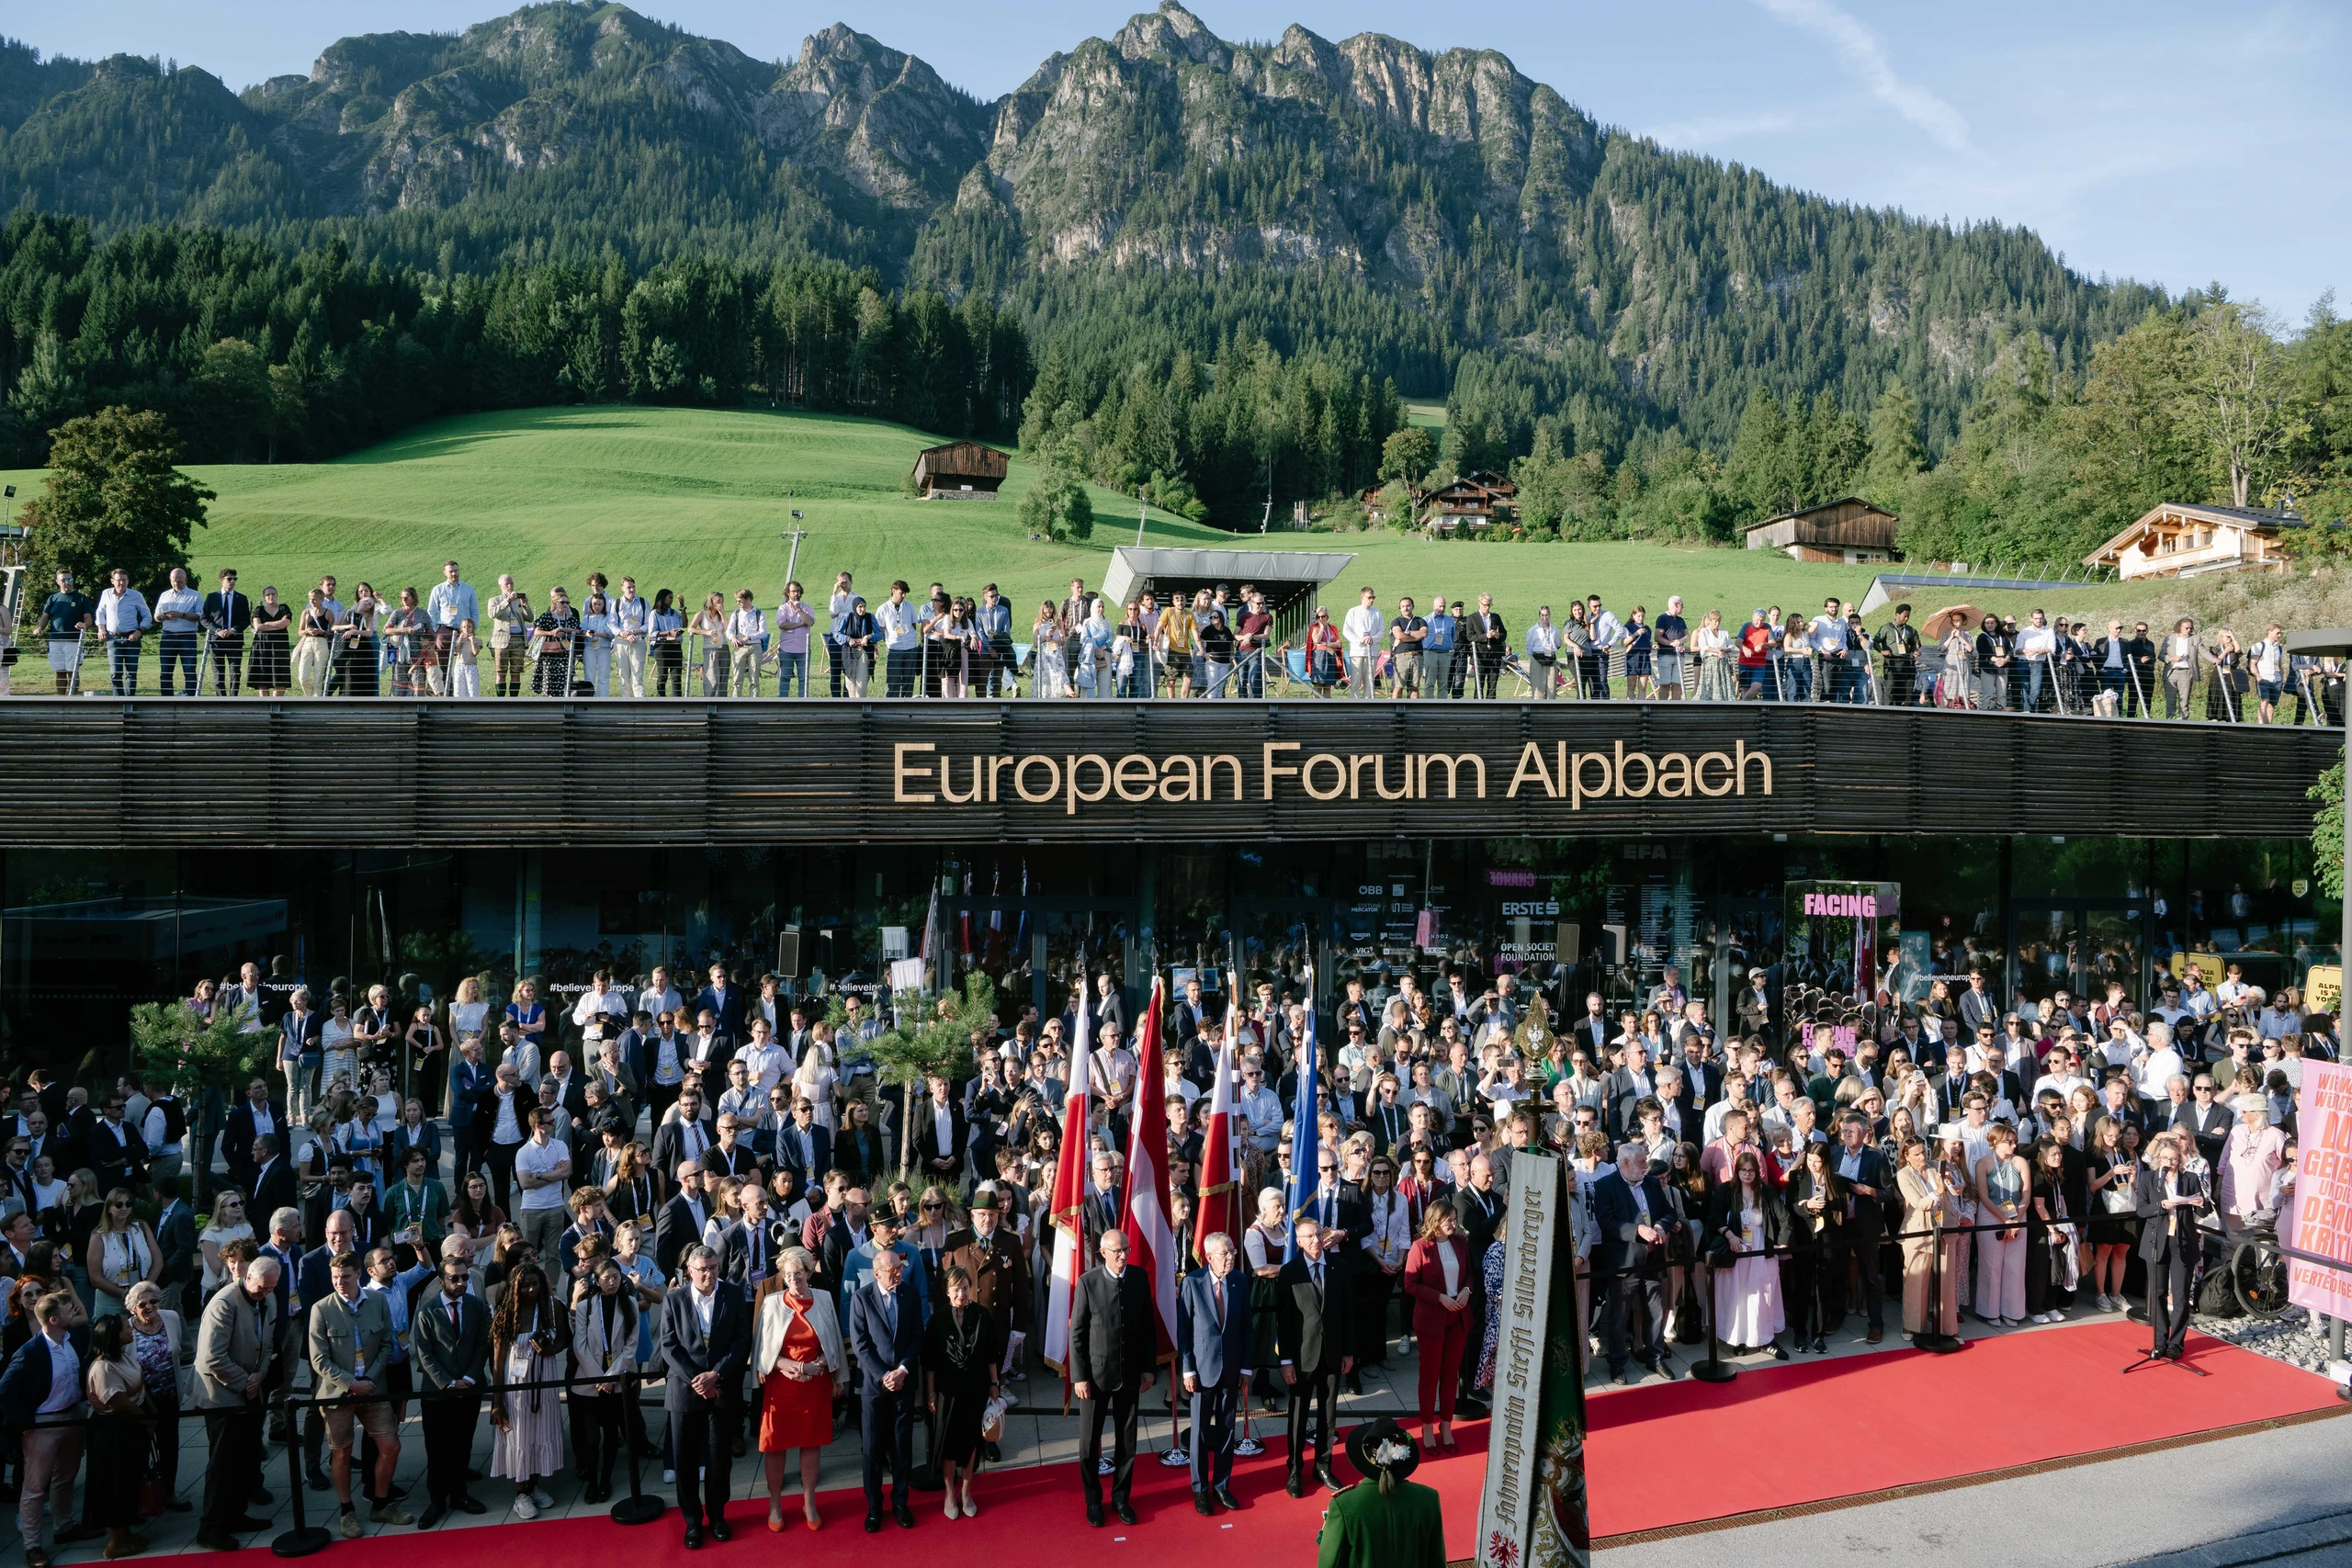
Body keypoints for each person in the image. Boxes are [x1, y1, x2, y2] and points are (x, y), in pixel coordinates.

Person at [309, 1250, 413, 1536]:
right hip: (338, 1393)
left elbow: (386, 1344)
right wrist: (351, 1383)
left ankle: (380, 1504)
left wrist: (368, 1379)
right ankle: (347, 1511)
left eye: (345, 1276)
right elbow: (319, 1360)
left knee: (391, 1447)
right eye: (335, 1277)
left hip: (373, 1388)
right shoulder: (321, 1309)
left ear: (358, 1274)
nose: (339, 1282)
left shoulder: (377, 1301)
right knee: (341, 1453)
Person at [662, 1244, 750, 1546]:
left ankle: (717, 1516)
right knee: (685, 1460)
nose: (710, 1274)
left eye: (714, 1268)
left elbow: (741, 1342)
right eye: (703, 1269)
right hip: (685, 1391)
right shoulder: (674, 1299)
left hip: (721, 1388)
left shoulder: (734, 1295)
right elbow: (668, 1345)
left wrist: (717, 1375)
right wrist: (697, 1380)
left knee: (718, 1459)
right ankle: (692, 1522)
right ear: (690, 1270)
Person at [753, 1247, 845, 1531]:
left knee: (811, 1442)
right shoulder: (771, 1302)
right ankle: (775, 1504)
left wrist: (826, 1367)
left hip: (814, 1384)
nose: (794, 1279)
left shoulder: (824, 1298)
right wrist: (784, 1364)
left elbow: (833, 1340)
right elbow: (761, 1348)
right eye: (788, 1274)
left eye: (799, 1274)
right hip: (781, 1384)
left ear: (808, 1273)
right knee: (776, 1445)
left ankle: (809, 1501)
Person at [190, 1256, 278, 1550]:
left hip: (250, 1389)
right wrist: (246, 1382)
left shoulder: (268, 1295)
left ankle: (236, 1514)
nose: (265, 1294)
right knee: (223, 1464)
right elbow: (212, 1357)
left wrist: (261, 1374)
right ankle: (211, 1527)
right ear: (247, 1277)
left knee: (245, 1459)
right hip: (222, 1396)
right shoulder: (224, 1303)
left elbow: (268, 1344)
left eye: (270, 1289)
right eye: (261, 1289)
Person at [4, 1289, 96, 1566]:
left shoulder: (74, 1338)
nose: (76, 1312)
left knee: (66, 1477)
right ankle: (32, 1546)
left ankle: (64, 1526)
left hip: (72, 1417)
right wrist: (26, 1424)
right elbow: (5, 1390)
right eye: (69, 1310)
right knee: (35, 1487)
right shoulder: (30, 1352)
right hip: (43, 1424)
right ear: (54, 1320)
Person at [1070, 1227, 1155, 1526]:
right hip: (1094, 1377)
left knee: (1127, 1441)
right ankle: (1093, 1500)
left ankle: (1121, 1498)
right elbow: (1077, 1333)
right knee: (1088, 1442)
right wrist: (1079, 1377)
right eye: (1117, 1251)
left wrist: (1148, 1368)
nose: (1123, 1255)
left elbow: (1148, 1327)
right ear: (1103, 1252)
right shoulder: (1088, 1282)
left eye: (1126, 1250)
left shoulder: (1139, 1278)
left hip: (1130, 1375)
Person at [411, 1247, 491, 1528]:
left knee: (462, 1444)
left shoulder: (476, 1306)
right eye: (454, 1278)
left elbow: (483, 1345)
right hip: (437, 1394)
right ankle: (436, 1500)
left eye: (464, 1277)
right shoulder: (427, 1311)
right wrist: (447, 1382)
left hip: (469, 1389)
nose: (461, 1283)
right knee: (437, 1448)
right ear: (441, 1281)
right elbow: (423, 1354)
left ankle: (459, 1495)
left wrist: (468, 1379)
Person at [844, 1241, 921, 1533]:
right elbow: (860, 1344)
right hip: (873, 1387)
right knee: (873, 1449)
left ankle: (901, 1502)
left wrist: (901, 1370)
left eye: (900, 1268)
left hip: (903, 1381)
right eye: (892, 1270)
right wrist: (883, 1375)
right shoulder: (861, 1299)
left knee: (902, 1446)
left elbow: (916, 1336)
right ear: (877, 1273)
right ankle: (874, 1507)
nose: (898, 1274)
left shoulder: (910, 1295)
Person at [1276, 1213, 1351, 1497]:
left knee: (1328, 1412)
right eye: (1309, 1236)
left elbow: (1348, 1312)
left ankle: (1323, 1465)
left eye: (1319, 1235)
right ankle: (1295, 1468)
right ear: (1298, 1241)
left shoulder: (1339, 1267)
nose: (1316, 1240)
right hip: (1301, 1357)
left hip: (1332, 1354)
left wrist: (1348, 1352)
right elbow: (1283, 1322)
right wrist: (1285, 1361)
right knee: (1298, 1414)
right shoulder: (1290, 1272)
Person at [1177, 1231, 1250, 1514]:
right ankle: (1200, 1489)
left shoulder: (1240, 1281)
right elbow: (1183, 1330)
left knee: (1227, 1429)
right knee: (1199, 1433)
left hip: (1231, 1369)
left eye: (1232, 1251)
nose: (1231, 1257)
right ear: (1209, 1257)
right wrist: (1187, 1370)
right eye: (1225, 1253)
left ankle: (1221, 1485)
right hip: (1201, 1370)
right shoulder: (1192, 1283)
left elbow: (1246, 1328)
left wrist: (1245, 1367)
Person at [488, 1260, 568, 1518]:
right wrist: (497, 1400)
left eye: (535, 1284)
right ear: (515, 1288)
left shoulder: (553, 1307)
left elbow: (565, 1338)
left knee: (541, 1431)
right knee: (520, 1435)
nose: (531, 1290)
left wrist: (550, 1350)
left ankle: (534, 1486)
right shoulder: (507, 1312)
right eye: (525, 1286)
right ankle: (520, 1491)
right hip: (516, 1385)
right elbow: (498, 1362)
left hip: (545, 1380)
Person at [923, 1262, 1001, 1521]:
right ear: (947, 1291)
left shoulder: (981, 1315)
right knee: (947, 1445)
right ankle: (949, 1492)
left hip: (976, 1390)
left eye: (965, 1289)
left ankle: (967, 1491)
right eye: (956, 1290)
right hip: (947, 1393)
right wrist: (931, 1393)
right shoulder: (937, 1321)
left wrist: (994, 1385)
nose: (961, 1295)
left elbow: (991, 1354)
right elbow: (930, 1362)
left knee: (970, 1444)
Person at [1315, 1416, 1445, 1568]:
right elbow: (1437, 1561)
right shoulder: (1428, 1499)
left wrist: (1324, 1538)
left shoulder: (1343, 1504)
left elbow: (1329, 1563)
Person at [1398, 1199, 1471, 1449]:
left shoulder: (1461, 1242)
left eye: (1454, 1218)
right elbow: (1409, 1284)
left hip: (1458, 1316)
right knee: (1430, 1377)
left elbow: (1470, 1273)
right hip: (1432, 1318)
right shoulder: (1420, 1247)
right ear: (1435, 1222)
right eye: (1448, 1220)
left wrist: (1466, 1290)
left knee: (1451, 1376)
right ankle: (1427, 1427)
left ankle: (1447, 1426)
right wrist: (1439, 1297)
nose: (1454, 1224)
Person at [81, 1313, 150, 1561]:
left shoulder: (121, 1357)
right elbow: (122, 1404)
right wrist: (148, 1421)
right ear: (114, 1335)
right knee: (116, 1486)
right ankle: (116, 1542)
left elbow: (139, 1389)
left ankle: (126, 1533)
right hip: (113, 1434)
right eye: (125, 1327)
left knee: (129, 1482)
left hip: (129, 1430)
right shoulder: (103, 1367)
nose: (131, 1329)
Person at [569, 1259, 638, 1503]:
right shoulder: (587, 1306)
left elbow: (631, 1347)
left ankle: (606, 1480)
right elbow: (580, 1345)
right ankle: (592, 1481)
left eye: (616, 1277)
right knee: (591, 1437)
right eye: (607, 1278)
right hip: (589, 1380)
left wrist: (611, 1378)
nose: (612, 1282)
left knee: (610, 1434)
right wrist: (599, 1377)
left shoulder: (630, 1303)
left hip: (617, 1380)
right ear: (597, 1281)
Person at [2136, 1131, 2207, 1359]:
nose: (2170, 1163)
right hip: (2157, 1241)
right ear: (2158, 1159)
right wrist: (2162, 1206)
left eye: (2174, 1159)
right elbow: (2141, 1210)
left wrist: (2201, 1202)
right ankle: (2159, 1342)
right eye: (2165, 1159)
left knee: (2180, 1295)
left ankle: (2177, 1343)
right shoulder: (2148, 1179)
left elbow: (2204, 1210)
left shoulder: (2190, 1179)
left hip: (2182, 1241)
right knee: (2157, 1293)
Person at [1894, 1138, 1960, 1338]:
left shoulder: (1935, 1167)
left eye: (1923, 1152)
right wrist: (1938, 1192)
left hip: (1944, 1227)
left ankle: (1948, 1328)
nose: (1922, 1157)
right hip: (1918, 1231)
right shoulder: (1903, 1174)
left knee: (1946, 1280)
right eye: (1916, 1154)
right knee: (1916, 1281)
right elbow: (1919, 1203)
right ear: (1906, 1156)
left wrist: (1951, 1184)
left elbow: (1954, 1189)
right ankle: (1912, 1325)